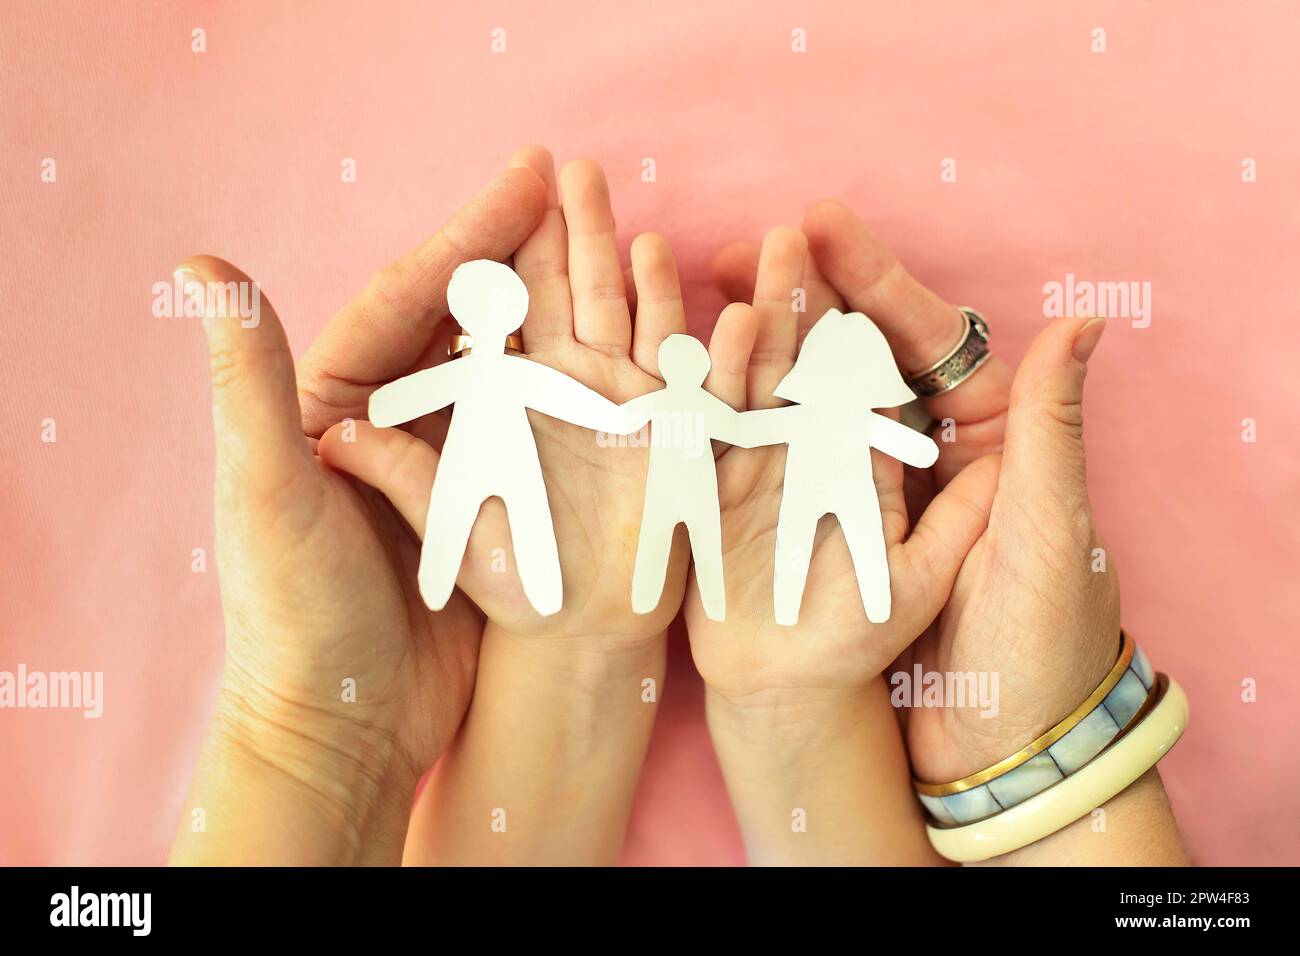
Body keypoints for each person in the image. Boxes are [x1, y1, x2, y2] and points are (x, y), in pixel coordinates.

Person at [171, 148, 1188, 867]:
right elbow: (555, 403)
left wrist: (315, 744)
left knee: (791, 559)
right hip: (592, 485)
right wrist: (1060, 782)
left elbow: (575, 403)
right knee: (753, 553)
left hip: (697, 511)